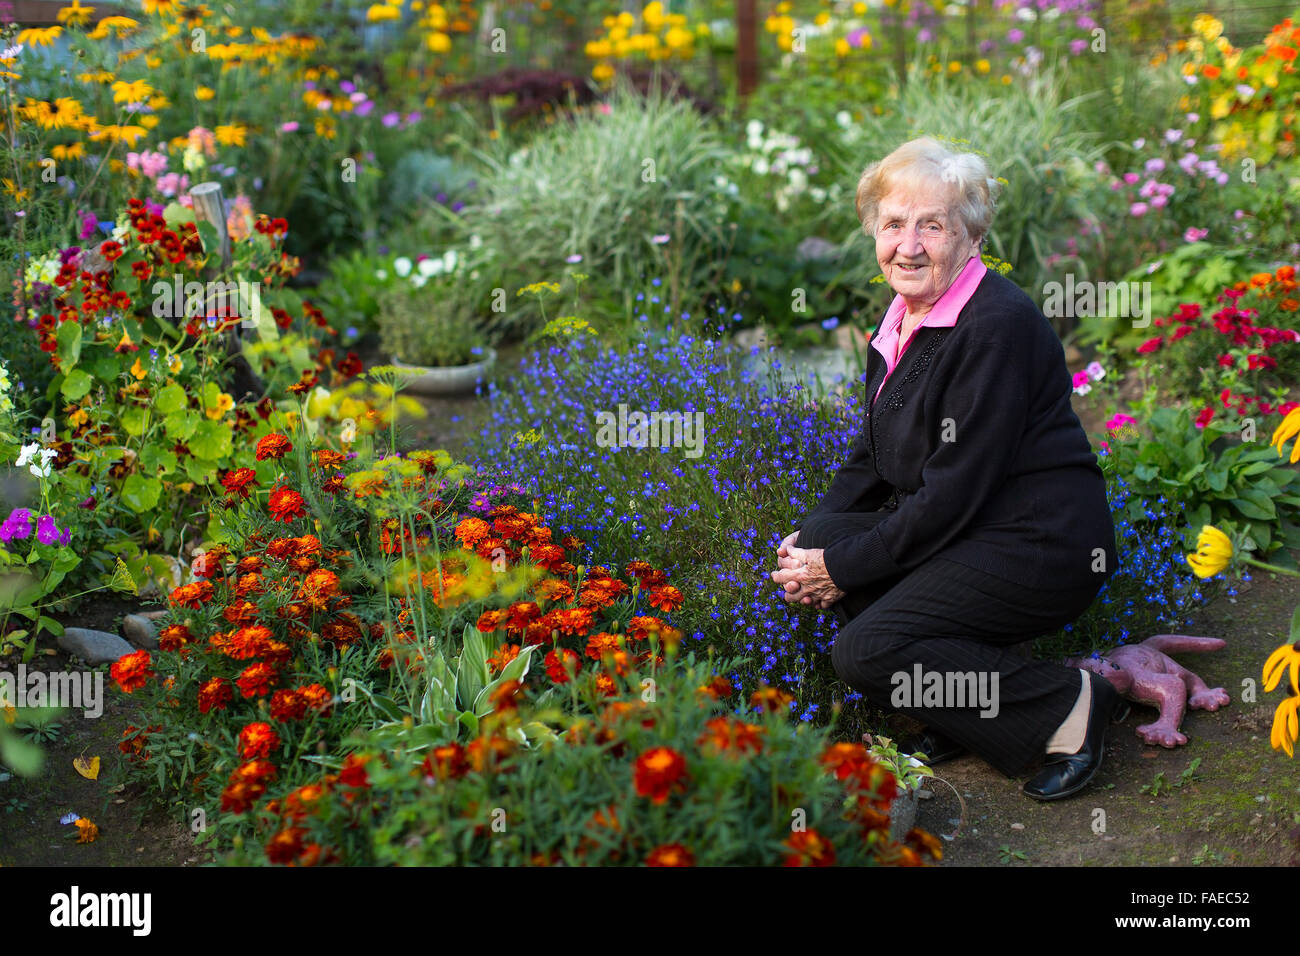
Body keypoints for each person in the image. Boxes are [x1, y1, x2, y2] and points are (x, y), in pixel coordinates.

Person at [769, 136, 1124, 801]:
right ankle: (962, 709)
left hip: (1039, 543)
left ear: (969, 234)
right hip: (973, 526)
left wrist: (839, 569)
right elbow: (871, 455)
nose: (909, 244)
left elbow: (951, 495)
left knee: (865, 653)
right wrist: (811, 545)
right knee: (822, 541)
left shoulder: (993, 326)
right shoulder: (905, 315)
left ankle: (1067, 704)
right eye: (893, 224)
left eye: (931, 225)